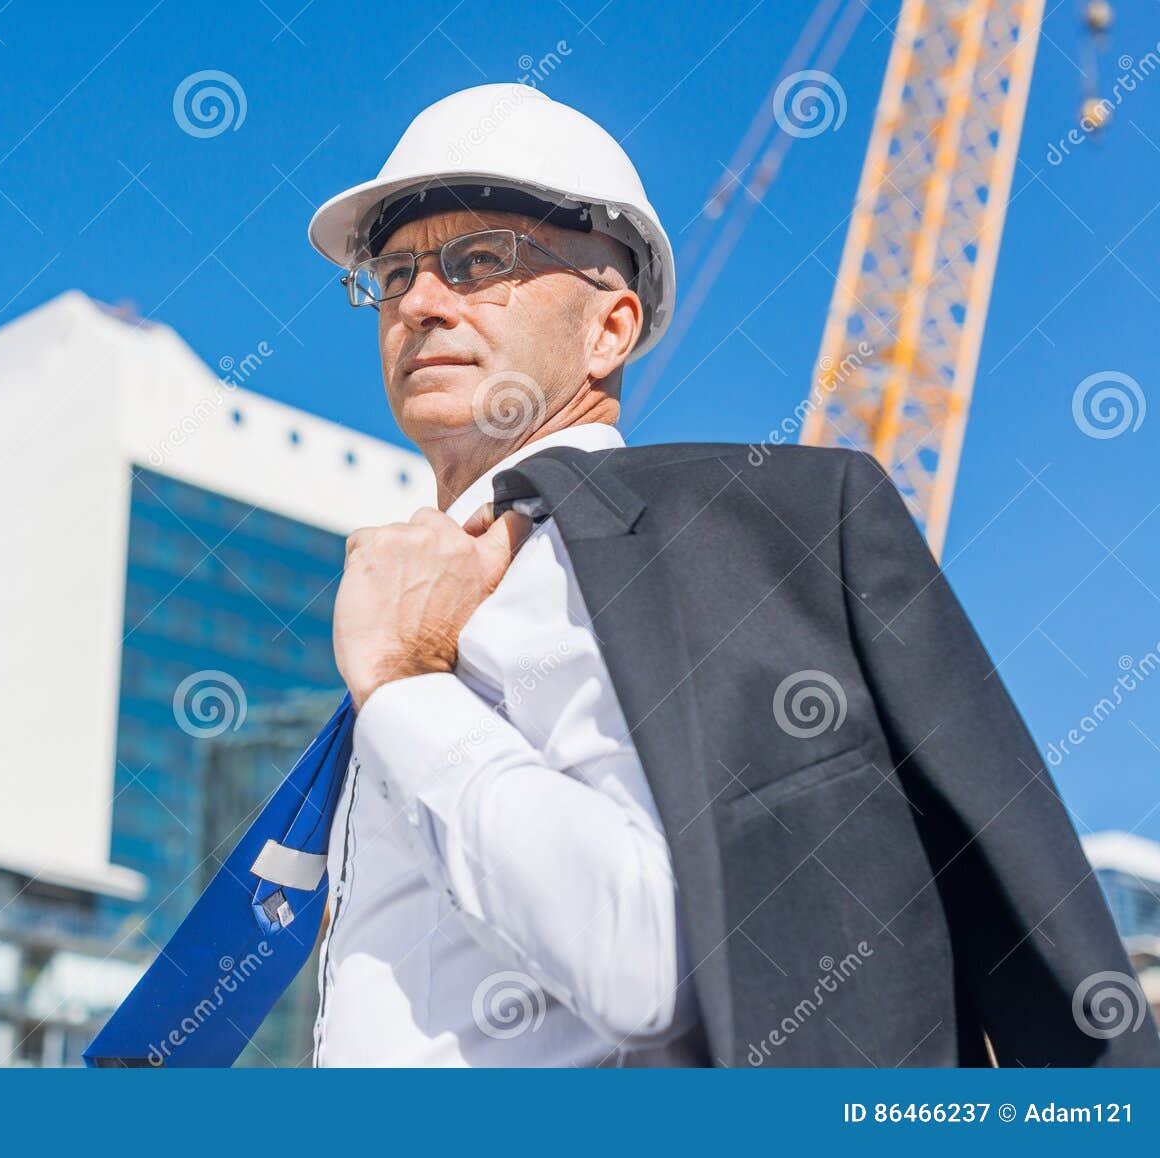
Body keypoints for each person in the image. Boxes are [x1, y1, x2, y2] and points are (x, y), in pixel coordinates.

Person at [299, 82, 1158, 1067]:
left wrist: (408, 685)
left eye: (478, 261)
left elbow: (645, 958)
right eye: (393, 273)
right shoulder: (430, 585)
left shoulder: (641, 550)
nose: (415, 302)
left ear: (609, 329)